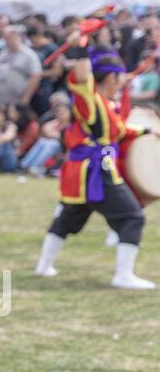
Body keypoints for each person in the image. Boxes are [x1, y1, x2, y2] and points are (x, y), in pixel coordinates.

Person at [34, 45, 152, 289]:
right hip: (95, 171)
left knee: (68, 218)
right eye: (121, 76)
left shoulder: (106, 104)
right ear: (111, 76)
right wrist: (80, 46)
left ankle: (44, 266)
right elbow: (80, 78)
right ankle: (123, 275)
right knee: (133, 217)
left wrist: (147, 131)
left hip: (82, 172)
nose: (123, 81)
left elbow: (119, 131)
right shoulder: (91, 100)